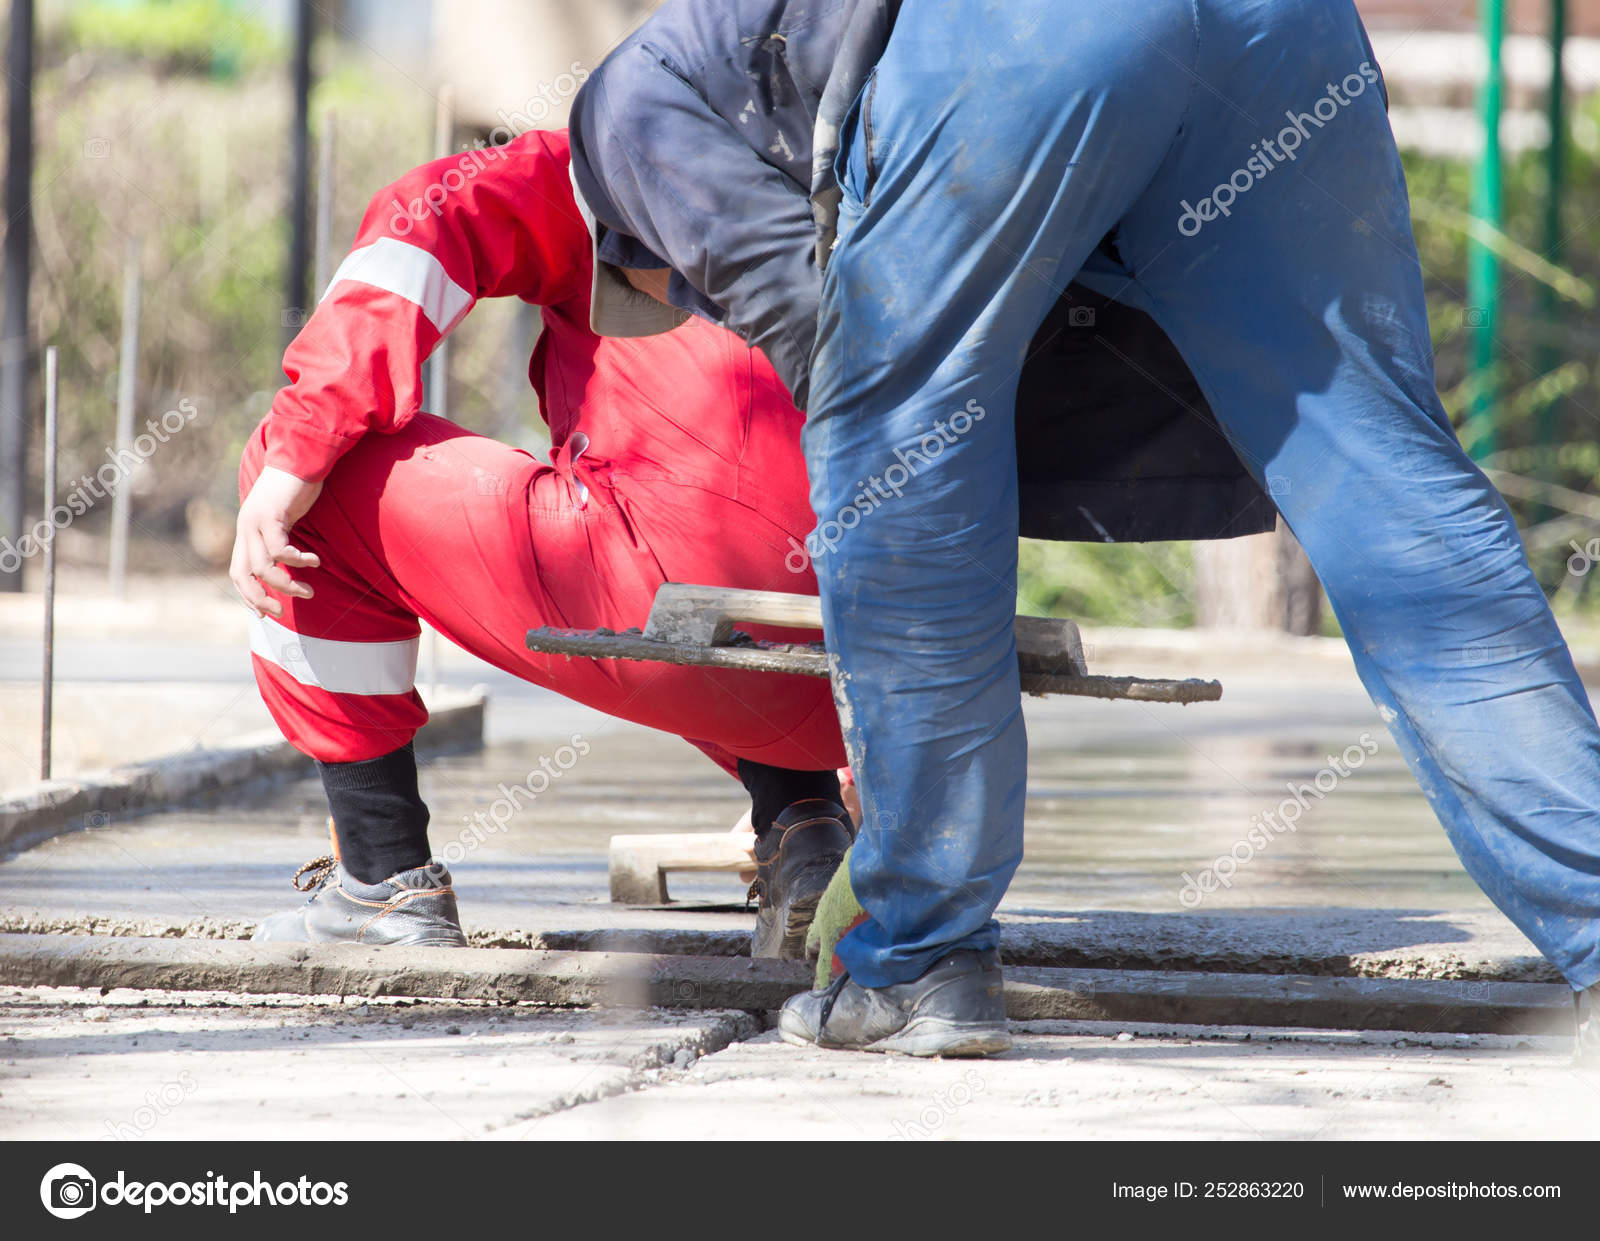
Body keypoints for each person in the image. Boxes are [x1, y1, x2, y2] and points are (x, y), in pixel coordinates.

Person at [567, 0, 1600, 1059]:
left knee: (897, 443)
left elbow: (846, 363)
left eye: (670, 287)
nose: (694, 301)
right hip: (1283, 34)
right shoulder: (754, 55)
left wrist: (886, 771)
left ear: (624, 235)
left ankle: (919, 958)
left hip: (1029, 29)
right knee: (1387, 479)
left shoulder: (623, 111)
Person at [231, 128, 853, 957]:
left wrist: (302, 448)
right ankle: (804, 833)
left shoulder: (641, 148)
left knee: (302, 468)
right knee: (771, 517)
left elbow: (430, 221)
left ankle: (381, 882)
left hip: (684, 611)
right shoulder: (891, 171)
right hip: (888, 669)